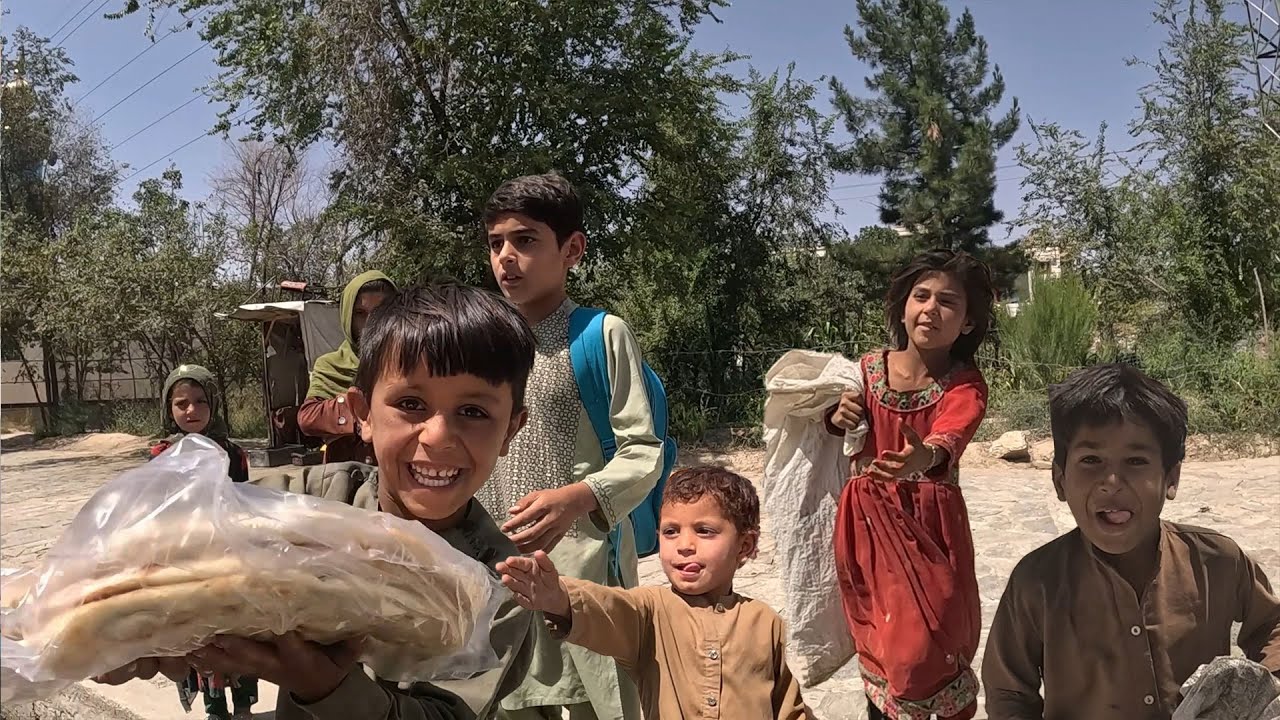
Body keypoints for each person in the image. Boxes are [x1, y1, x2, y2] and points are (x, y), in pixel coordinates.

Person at [96, 284, 539, 720]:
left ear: (510, 431)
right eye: (411, 403)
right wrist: (134, 625)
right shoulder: (311, 501)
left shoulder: (499, 587)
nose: (438, 437)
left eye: (473, 412)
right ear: (363, 414)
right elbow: (187, 541)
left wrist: (327, 688)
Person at [981, 364, 1280, 720]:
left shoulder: (1216, 561)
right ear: (1060, 480)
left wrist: (1268, 689)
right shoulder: (1036, 581)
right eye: (1091, 460)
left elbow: (1271, 625)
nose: (1112, 482)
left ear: (1171, 478)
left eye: (1136, 461)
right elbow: (1008, 691)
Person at [481, 173, 663, 720]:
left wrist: (576, 498)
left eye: (525, 240)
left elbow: (643, 450)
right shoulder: (481, 342)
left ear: (573, 249)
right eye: (495, 243)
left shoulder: (601, 335)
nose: (506, 257)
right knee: (507, 697)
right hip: (496, 566)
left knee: (600, 698)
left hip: (582, 568)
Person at [823, 249, 995, 720]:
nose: (931, 309)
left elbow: (953, 429)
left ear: (966, 322)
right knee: (887, 637)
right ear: (903, 307)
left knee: (935, 635)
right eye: (921, 296)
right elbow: (832, 422)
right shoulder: (864, 370)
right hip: (868, 525)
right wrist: (838, 415)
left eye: (948, 302)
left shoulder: (964, 384)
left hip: (933, 526)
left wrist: (927, 456)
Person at [498, 466, 815, 720]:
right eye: (671, 531)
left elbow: (790, 708)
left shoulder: (766, 623)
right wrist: (558, 597)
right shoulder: (650, 611)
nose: (685, 545)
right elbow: (606, 607)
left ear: (744, 546)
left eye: (704, 531)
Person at [150, 364, 258, 720]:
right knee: (199, 634)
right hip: (187, 559)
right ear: (168, 408)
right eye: (181, 403)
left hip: (230, 555)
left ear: (214, 403)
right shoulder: (162, 456)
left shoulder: (233, 454)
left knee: (239, 628)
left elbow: (246, 503)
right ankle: (215, 708)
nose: (191, 410)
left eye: (200, 401)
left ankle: (243, 705)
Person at [297, 270, 396, 464]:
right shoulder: (330, 365)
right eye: (360, 314)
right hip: (346, 475)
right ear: (348, 317)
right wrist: (359, 410)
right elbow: (308, 417)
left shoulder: (411, 362)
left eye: (380, 312)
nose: (370, 322)